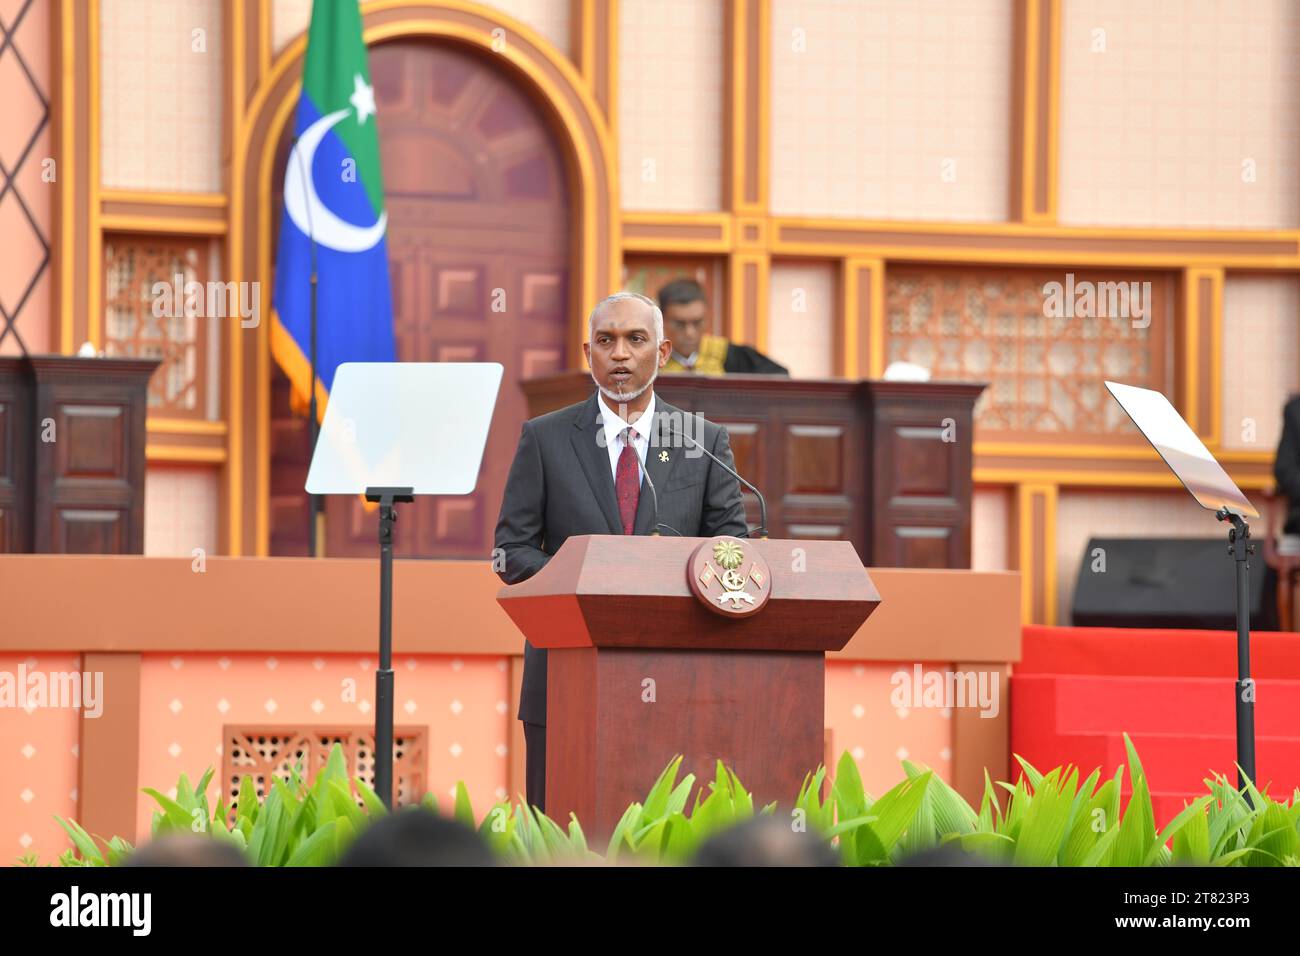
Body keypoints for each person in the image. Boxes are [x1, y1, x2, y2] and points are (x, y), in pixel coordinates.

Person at [494, 291, 749, 812]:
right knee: (563, 829)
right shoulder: (545, 438)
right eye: (606, 341)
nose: (621, 355)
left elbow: (733, 553)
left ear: (662, 352)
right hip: (565, 675)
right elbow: (511, 551)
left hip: (678, 676)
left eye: (636, 340)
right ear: (588, 352)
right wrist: (585, 584)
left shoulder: (702, 442)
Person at [657, 278, 788, 375]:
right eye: (679, 324)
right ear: (661, 320)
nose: (690, 332)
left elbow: (780, 378)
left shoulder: (730, 355)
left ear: (708, 317)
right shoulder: (652, 360)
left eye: (698, 322)